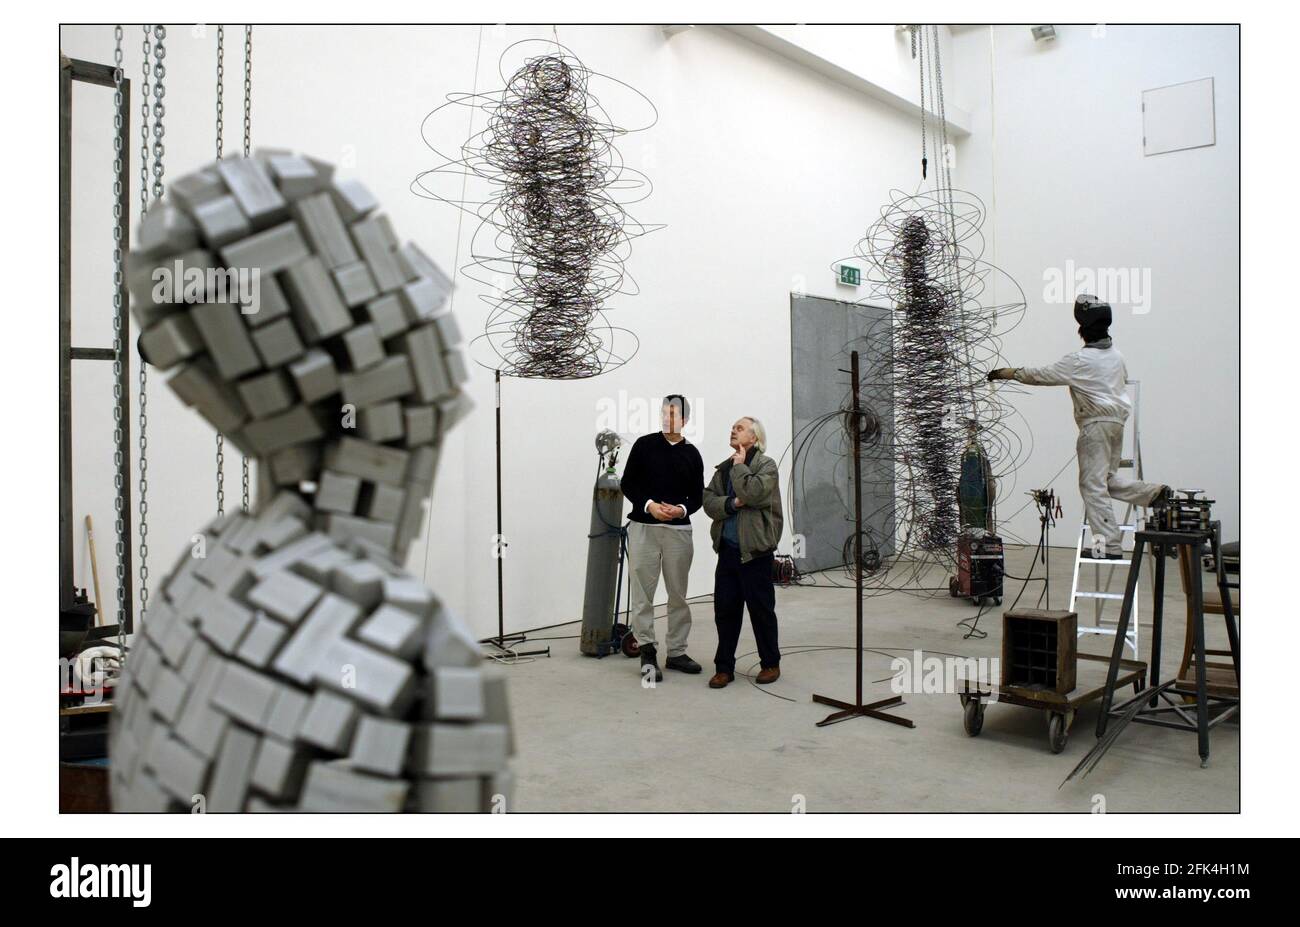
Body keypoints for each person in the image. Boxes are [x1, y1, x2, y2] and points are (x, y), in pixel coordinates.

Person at [988, 295, 1170, 559]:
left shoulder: (1080, 360)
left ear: (1082, 331)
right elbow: (1122, 381)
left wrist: (1009, 373)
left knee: (1091, 485)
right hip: (1117, 424)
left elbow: (1041, 375)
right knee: (1104, 481)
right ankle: (1152, 493)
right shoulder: (1117, 357)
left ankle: (1108, 546)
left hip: (1094, 426)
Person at [619, 395, 705, 682]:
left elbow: (697, 496)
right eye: (665, 413)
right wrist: (650, 506)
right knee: (643, 593)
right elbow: (628, 482)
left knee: (678, 594)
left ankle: (677, 652)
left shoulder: (692, 454)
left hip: (678, 532)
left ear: (685, 420)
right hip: (644, 527)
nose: (669, 418)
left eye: (675, 414)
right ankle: (647, 652)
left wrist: (680, 509)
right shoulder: (644, 446)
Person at [702, 416, 784, 688]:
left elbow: (756, 493)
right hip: (727, 552)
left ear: (754, 436)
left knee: (761, 611)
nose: (733, 430)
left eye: (739, 428)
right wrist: (731, 503)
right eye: (733, 427)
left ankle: (770, 663)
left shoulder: (766, 465)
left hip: (755, 553)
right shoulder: (723, 469)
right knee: (725, 612)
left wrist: (739, 471)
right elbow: (709, 502)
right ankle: (724, 668)